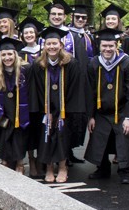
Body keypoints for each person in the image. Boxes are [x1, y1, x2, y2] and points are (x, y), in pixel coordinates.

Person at [84, 30, 129, 185]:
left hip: (122, 110)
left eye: (111, 45)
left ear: (117, 44)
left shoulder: (127, 62)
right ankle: (102, 168)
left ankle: (124, 171)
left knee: (124, 139)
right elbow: (90, 90)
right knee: (99, 138)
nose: (108, 49)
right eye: (104, 46)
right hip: (101, 111)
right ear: (99, 46)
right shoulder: (94, 63)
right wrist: (90, 116)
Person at [29, 26, 87, 184]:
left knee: (62, 137)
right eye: (49, 44)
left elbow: (76, 88)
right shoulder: (38, 65)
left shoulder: (71, 63)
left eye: (55, 43)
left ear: (61, 45)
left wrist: (64, 110)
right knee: (46, 136)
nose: (52, 47)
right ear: (44, 46)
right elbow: (35, 89)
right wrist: (43, 109)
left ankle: (62, 167)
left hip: (65, 109)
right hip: (45, 110)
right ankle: (49, 168)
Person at [0, 38, 30, 174]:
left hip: (20, 110)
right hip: (4, 110)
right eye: (4, 55)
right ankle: (5, 161)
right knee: (4, 134)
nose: (7, 58)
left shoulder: (26, 69)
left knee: (19, 135)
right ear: (0, 56)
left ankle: (20, 163)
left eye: (10, 54)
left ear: (15, 55)